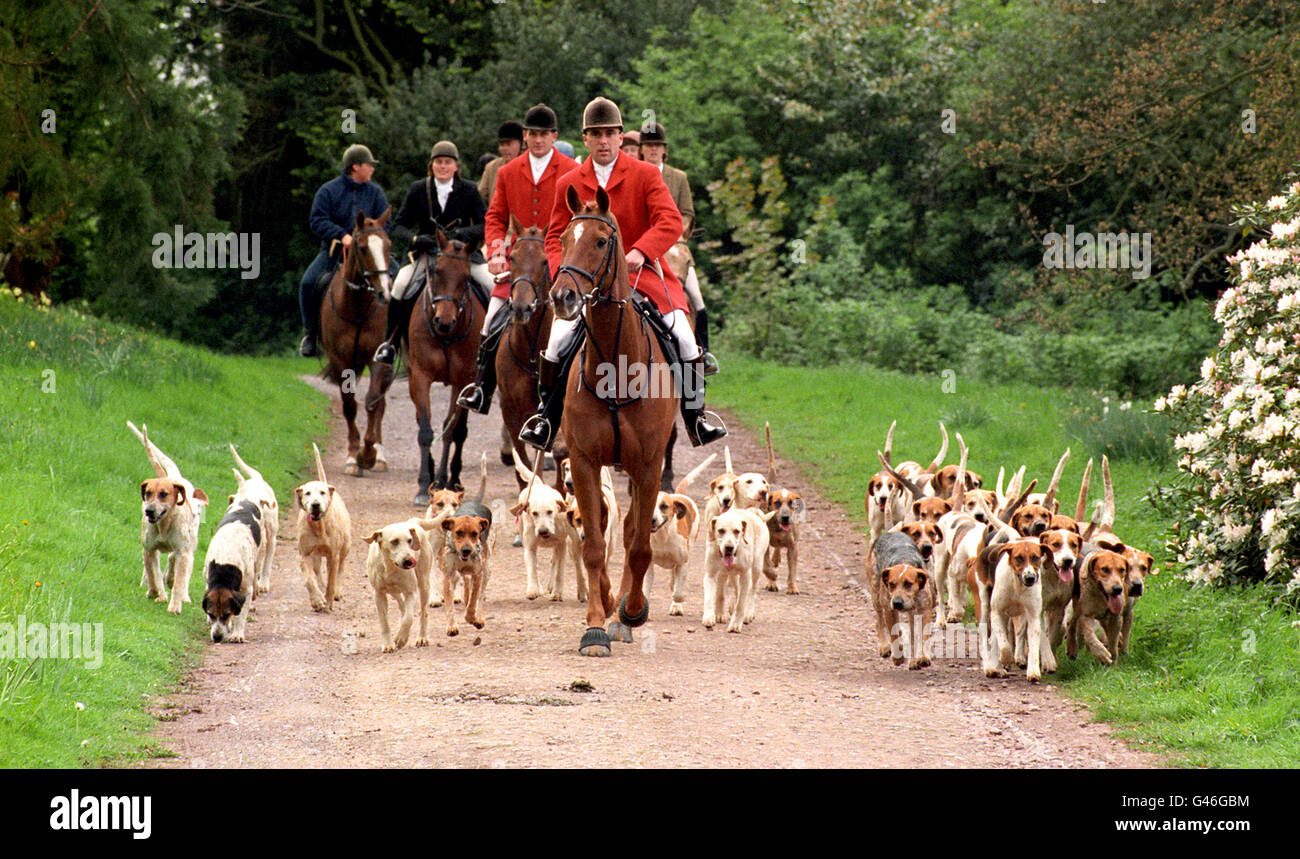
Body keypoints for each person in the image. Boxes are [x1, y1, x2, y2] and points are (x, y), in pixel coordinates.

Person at [518, 96, 726, 451]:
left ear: (619, 137)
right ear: (585, 139)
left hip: (643, 275)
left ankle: (696, 418)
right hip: (585, 282)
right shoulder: (569, 181)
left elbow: (670, 220)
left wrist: (641, 250)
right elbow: (554, 236)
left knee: (685, 337)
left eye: (609, 133)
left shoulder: (644, 174)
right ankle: (546, 420)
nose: (603, 141)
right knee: (555, 344)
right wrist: (564, 273)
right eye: (595, 134)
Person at [456, 103, 578, 414]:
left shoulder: (571, 170)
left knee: (581, 319)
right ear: (525, 136)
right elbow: (495, 215)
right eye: (533, 134)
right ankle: (482, 387)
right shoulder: (508, 171)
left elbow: (579, 215)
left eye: (544, 135)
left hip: (559, 256)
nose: (538, 140)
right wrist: (497, 250)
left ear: (554, 136)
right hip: (520, 260)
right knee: (491, 318)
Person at [370, 140, 492, 394]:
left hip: (461, 256)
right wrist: (416, 239)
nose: (443, 166)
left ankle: (492, 347)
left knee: (491, 285)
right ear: (432, 166)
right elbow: (398, 225)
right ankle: (390, 345)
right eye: (438, 162)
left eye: (447, 162)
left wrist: (462, 234)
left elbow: (484, 224)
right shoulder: (418, 189)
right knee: (400, 287)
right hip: (426, 253)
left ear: (456, 166)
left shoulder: (469, 190)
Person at [298, 144, 394, 357]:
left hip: (371, 253)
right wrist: (342, 235)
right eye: (369, 165)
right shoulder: (328, 191)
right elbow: (317, 220)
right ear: (355, 167)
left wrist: (371, 237)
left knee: (398, 280)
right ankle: (311, 334)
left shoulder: (376, 192)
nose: (373, 169)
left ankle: (393, 339)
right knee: (308, 283)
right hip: (333, 251)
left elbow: (386, 223)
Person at [639, 122, 717, 374]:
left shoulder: (678, 178)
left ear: (664, 149)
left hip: (675, 247)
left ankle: (702, 353)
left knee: (697, 299)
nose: (653, 150)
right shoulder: (635, 173)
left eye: (657, 145)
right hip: (640, 247)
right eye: (648, 145)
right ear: (642, 149)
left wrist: (672, 236)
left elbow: (686, 213)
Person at [477, 120, 525, 208]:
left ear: (522, 144)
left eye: (509, 144)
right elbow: (480, 198)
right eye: (502, 144)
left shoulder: (532, 166)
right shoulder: (491, 168)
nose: (505, 148)